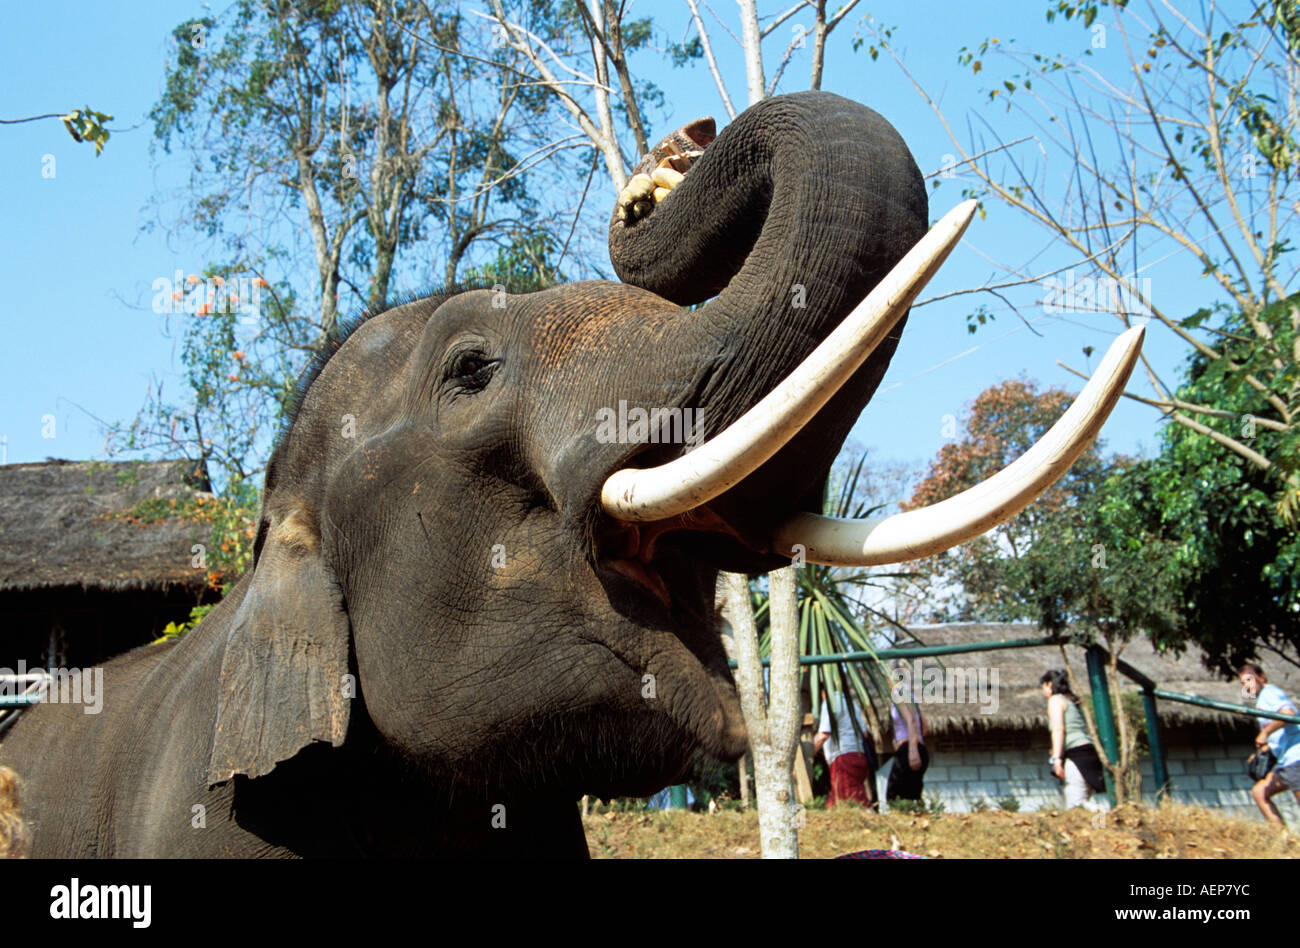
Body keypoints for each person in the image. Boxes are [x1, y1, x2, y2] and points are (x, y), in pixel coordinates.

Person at [1238, 663, 1300, 829]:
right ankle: (1283, 843)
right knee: (1260, 792)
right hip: (1285, 762)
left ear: (1262, 677)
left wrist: (1265, 733)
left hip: (1296, 758)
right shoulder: (1262, 700)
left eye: (1249, 680)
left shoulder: (1270, 692)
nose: (1246, 685)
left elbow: (1288, 714)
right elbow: (1280, 735)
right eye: (1243, 683)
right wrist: (1263, 751)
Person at [1040, 669, 1106, 809]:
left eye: (1043, 687)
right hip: (1088, 751)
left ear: (1049, 684)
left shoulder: (1055, 700)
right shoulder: (1070, 700)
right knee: (1087, 799)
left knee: (1076, 804)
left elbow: (1058, 729)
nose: (1043, 692)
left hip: (1077, 753)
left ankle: (1104, 815)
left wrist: (1056, 759)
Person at [814, 690, 876, 809]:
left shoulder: (830, 702)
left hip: (843, 758)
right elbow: (865, 733)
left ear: (822, 691)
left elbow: (823, 734)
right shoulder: (851, 703)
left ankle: (873, 824)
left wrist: (811, 752)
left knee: (854, 802)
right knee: (836, 801)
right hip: (859, 756)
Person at [886, 680, 929, 804]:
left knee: (894, 796)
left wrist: (912, 750)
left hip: (909, 749)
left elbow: (911, 720)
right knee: (912, 795)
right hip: (917, 747)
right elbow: (924, 726)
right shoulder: (910, 695)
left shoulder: (899, 692)